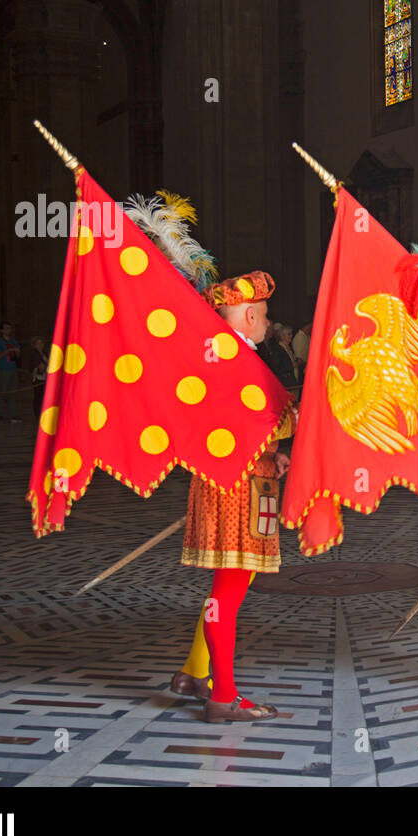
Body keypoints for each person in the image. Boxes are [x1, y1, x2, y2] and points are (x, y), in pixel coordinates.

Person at [169, 270, 296, 721]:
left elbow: (249, 429)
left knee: (228, 588)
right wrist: (286, 429)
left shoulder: (222, 356)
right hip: (235, 488)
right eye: (262, 315)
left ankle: (198, 675)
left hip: (247, 480)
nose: (267, 323)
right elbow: (269, 420)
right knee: (228, 591)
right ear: (245, 314)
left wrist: (274, 453)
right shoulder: (235, 361)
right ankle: (223, 696)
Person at [0, 322, 21, 423]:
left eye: (9, 328)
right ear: (1, 330)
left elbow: (18, 356)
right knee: (3, 392)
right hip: (3, 369)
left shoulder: (14, 341)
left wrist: (17, 352)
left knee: (13, 392)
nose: (8, 330)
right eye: (6, 328)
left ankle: (13, 414)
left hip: (13, 368)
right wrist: (8, 351)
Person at [25, 336, 48, 419]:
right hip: (37, 378)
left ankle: (44, 413)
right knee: (38, 397)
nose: (40, 345)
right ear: (34, 345)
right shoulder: (33, 353)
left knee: (44, 397)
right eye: (38, 343)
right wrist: (39, 366)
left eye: (41, 343)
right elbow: (34, 365)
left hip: (45, 378)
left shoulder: (45, 352)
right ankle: (38, 415)